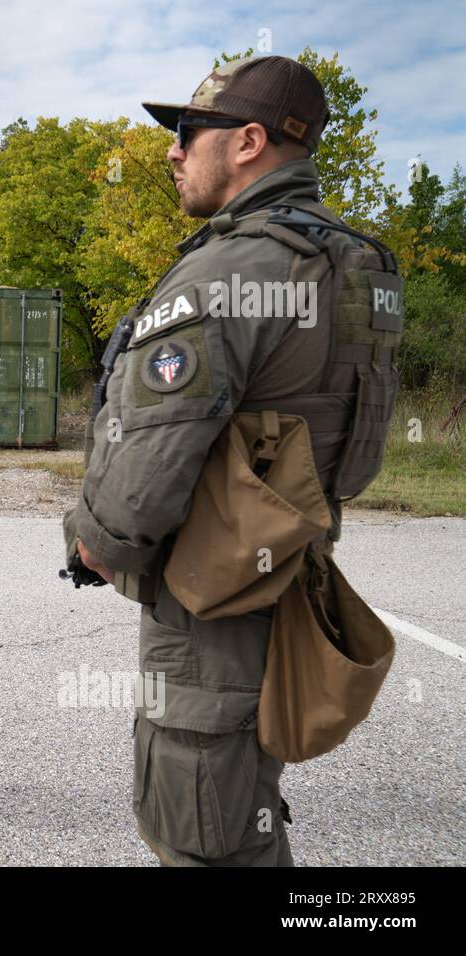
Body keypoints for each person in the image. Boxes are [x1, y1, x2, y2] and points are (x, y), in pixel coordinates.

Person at [63, 55, 402, 865]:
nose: (174, 152)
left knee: (198, 828)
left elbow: (150, 450)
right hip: (287, 565)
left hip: (210, 595)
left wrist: (98, 543)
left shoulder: (238, 264)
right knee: (244, 791)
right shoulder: (355, 262)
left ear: (249, 141)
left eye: (188, 133)